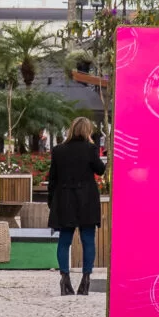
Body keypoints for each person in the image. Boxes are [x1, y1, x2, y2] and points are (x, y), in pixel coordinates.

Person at [49, 116, 107, 296]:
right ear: (87, 131)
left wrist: (52, 203)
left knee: (64, 240)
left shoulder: (58, 150)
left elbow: (53, 179)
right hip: (87, 199)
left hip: (65, 198)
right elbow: (100, 170)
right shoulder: (90, 149)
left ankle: (65, 278)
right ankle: (86, 279)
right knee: (88, 240)